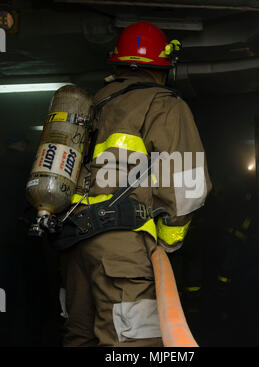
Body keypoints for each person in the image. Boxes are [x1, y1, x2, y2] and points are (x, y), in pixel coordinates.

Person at [60, 21, 211, 347]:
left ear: (117, 62)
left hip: (76, 242)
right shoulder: (164, 104)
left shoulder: (92, 104)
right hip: (124, 250)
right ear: (164, 66)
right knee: (132, 344)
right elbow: (186, 189)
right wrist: (167, 243)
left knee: (80, 338)